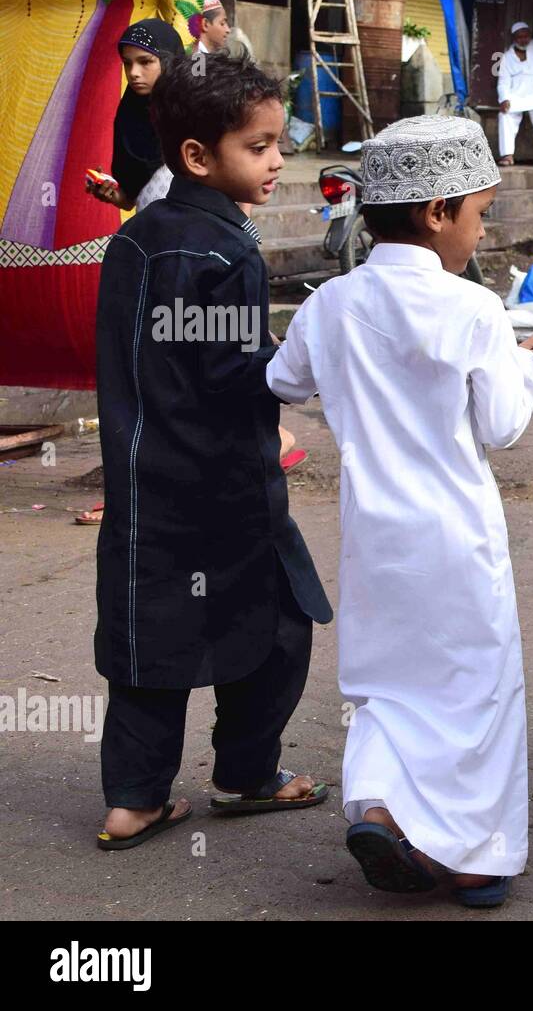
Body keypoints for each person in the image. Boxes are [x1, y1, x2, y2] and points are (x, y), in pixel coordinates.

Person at [266, 115, 533, 908]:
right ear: (435, 212)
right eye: (479, 212)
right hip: (457, 539)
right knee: (477, 692)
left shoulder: (329, 303)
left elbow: (283, 382)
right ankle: (473, 861)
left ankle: (385, 810)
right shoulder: (476, 310)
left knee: (386, 690)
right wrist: (526, 369)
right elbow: (502, 426)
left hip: (375, 542)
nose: (481, 229)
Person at [93, 54, 333, 851]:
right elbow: (232, 374)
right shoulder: (226, 252)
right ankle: (244, 774)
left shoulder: (135, 240)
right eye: (260, 147)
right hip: (226, 485)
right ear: (198, 156)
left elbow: (150, 358)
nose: (277, 162)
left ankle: (133, 799)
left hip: (141, 481)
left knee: (148, 642)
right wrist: (297, 367)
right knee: (279, 625)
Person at [85, 21, 183, 218]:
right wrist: (112, 193)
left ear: (169, 61)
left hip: (199, 241)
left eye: (145, 62)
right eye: (127, 63)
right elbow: (129, 201)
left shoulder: (197, 112)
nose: (133, 73)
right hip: (151, 239)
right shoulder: (130, 117)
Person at [497, 14, 533, 167]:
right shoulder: (507, 57)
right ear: (514, 38)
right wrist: (504, 99)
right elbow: (503, 82)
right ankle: (507, 155)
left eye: (526, 36)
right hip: (517, 98)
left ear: (530, 36)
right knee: (505, 115)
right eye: (519, 36)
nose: (523, 39)